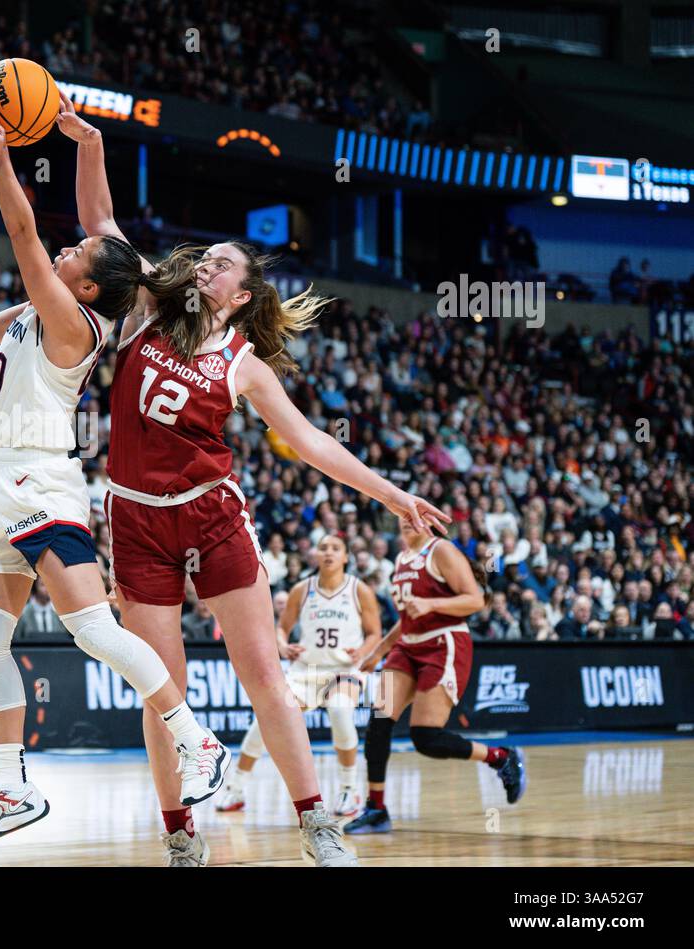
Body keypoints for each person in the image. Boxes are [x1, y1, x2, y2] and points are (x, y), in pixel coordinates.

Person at [63, 92, 444, 866]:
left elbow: (311, 443)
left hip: (211, 516)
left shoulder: (244, 365)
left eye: (222, 263)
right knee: (161, 687)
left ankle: (317, 824)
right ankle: (180, 833)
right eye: (205, 255)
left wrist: (393, 493)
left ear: (240, 296)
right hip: (134, 518)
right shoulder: (148, 306)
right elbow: (100, 224)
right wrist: (89, 142)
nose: (205, 262)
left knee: (264, 674)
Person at [0, 111, 229, 850]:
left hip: (40, 476)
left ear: (87, 285)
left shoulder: (75, 323)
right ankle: (11, 786)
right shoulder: (41, 307)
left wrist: (0, 157)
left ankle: (197, 740)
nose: (68, 246)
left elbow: (23, 233)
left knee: (91, 629)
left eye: (78, 251)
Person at [343, 518, 527, 836]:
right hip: (407, 646)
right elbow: (407, 618)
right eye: (401, 516)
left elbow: (476, 599)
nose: (406, 521)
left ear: (427, 521)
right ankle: (376, 809)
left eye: (412, 516)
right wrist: (377, 652)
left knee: (426, 738)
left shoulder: (441, 550)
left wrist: (431, 603)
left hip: (443, 643)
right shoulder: (401, 559)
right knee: (379, 722)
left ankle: (501, 757)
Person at [218, 535, 383, 817]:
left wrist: (363, 651)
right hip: (306, 671)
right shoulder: (302, 590)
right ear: (315, 556)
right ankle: (236, 786)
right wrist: (282, 645)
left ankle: (349, 789)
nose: (328, 553)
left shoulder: (359, 590)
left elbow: (374, 633)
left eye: (335, 549)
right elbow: (281, 629)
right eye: (323, 548)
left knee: (340, 709)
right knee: (267, 719)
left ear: (346, 557)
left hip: (343, 670)